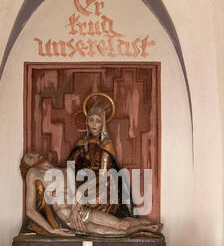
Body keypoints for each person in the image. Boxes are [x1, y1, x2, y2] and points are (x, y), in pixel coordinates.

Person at [20, 152, 163, 237]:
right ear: (30, 166)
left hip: (80, 211)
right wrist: (51, 229)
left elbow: (76, 194)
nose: (34, 154)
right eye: (30, 158)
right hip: (68, 218)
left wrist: (76, 209)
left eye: (32, 153)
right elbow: (30, 210)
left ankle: (150, 224)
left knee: (121, 224)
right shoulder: (34, 173)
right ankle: (143, 228)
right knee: (115, 233)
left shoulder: (66, 170)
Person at [65, 92, 132, 216]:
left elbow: (103, 175)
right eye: (91, 120)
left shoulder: (106, 145)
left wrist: (80, 190)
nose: (94, 124)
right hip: (83, 181)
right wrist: (72, 188)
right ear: (87, 122)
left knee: (91, 199)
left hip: (101, 183)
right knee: (62, 195)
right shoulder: (82, 143)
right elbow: (70, 166)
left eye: (98, 121)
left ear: (103, 123)